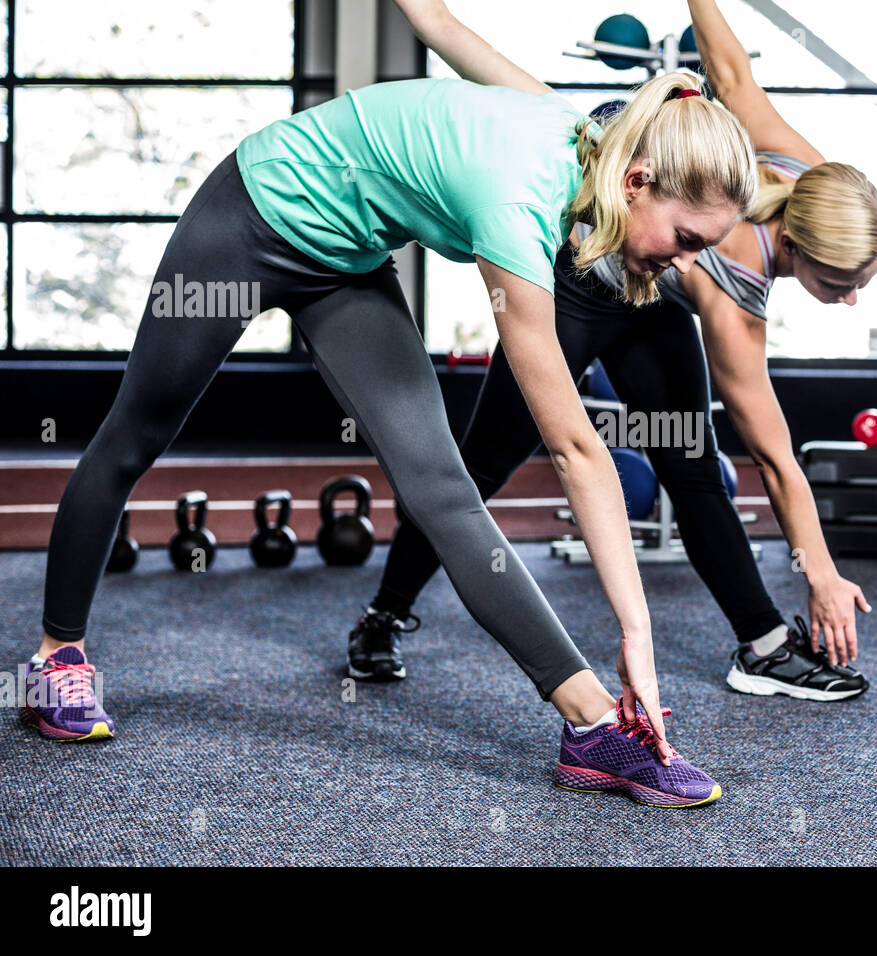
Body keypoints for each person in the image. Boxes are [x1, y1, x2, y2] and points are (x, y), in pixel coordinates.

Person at [23, 0, 758, 809]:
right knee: (137, 432)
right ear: (637, 180)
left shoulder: (587, 140)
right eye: (687, 240)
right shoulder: (515, 205)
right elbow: (579, 449)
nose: (687, 264)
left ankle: (592, 728)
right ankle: (58, 655)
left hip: (345, 260)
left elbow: (445, 31)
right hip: (250, 215)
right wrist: (638, 637)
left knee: (442, 485)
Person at [348, 0, 877, 703]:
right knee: (481, 465)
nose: (850, 300)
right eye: (841, 283)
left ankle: (763, 645)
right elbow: (778, 461)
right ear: (792, 243)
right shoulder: (735, 310)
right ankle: (382, 616)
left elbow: (727, 70)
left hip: (652, 300)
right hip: (578, 285)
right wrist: (819, 573)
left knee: (690, 465)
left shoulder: (813, 179)